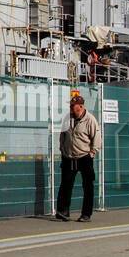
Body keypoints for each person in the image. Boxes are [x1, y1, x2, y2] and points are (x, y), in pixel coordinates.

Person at [56, 95, 101, 223]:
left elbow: (96, 136)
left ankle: (86, 214)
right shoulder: (67, 118)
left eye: (72, 106)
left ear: (80, 107)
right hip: (68, 157)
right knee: (66, 184)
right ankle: (63, 211)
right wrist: (62, 148)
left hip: (84, 156)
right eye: (70, 105)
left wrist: (92, 152)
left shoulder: (90, 119)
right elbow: (63, 134)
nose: (70, 107)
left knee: (88, 185)